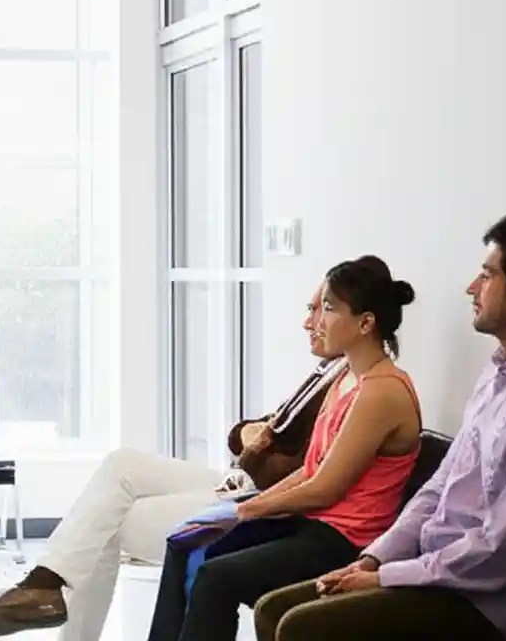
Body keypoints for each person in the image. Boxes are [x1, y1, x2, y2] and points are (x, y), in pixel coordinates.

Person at [254, 215, 506, 641]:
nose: (471, 287)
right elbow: (442, 485)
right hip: (437, 570)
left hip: (487, 604)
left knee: (302, 627)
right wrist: (376, 559)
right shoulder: (502, 372)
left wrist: (389, 577)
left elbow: (499, 552)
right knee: (275, 609)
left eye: (486, 275)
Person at [0, 280, 348, 639]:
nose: (308, 321)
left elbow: (291, 465)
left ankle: (47, 590)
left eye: (322, 310)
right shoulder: (324, 373)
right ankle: (45, 582)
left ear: (361, 321)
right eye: (312, 308)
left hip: (261, 501)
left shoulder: (352, 386)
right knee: (120, 465)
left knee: (103, 525)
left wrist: (256, 444)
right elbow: (247, 433)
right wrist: (251, 438)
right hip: (240, 482)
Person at [146, 255, 422, 641]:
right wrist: (245, 510)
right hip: (312, 522)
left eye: (329, 308)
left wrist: (247, 510)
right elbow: (311, 468)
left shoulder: (382, 391)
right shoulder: (345, 375)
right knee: (186, 543)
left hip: (344, 540)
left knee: (216, 576)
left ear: (365, 322)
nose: (318, 321)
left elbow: (326, 487)